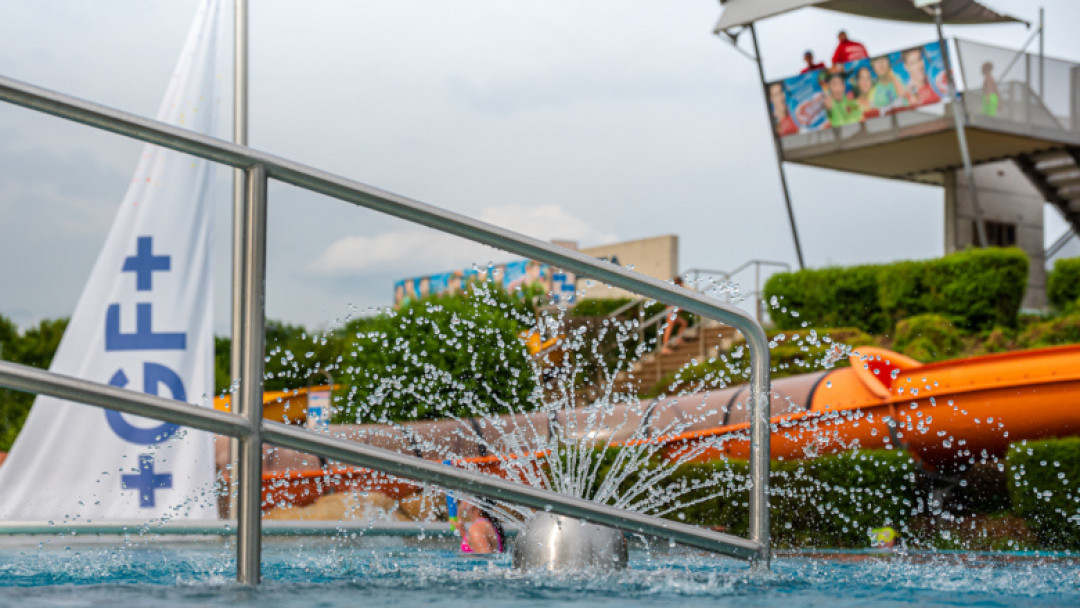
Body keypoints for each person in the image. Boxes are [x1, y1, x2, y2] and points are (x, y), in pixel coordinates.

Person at [660, 277, 689, 355]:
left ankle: (678, 339)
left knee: (683, 323)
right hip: (670, 313)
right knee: (669, 328)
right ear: (679, 284)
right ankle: (664, 348)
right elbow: (669, 304)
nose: (683, 286)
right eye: (682, 284)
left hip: (672, 313)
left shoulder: (675, 291)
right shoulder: (672, 291)